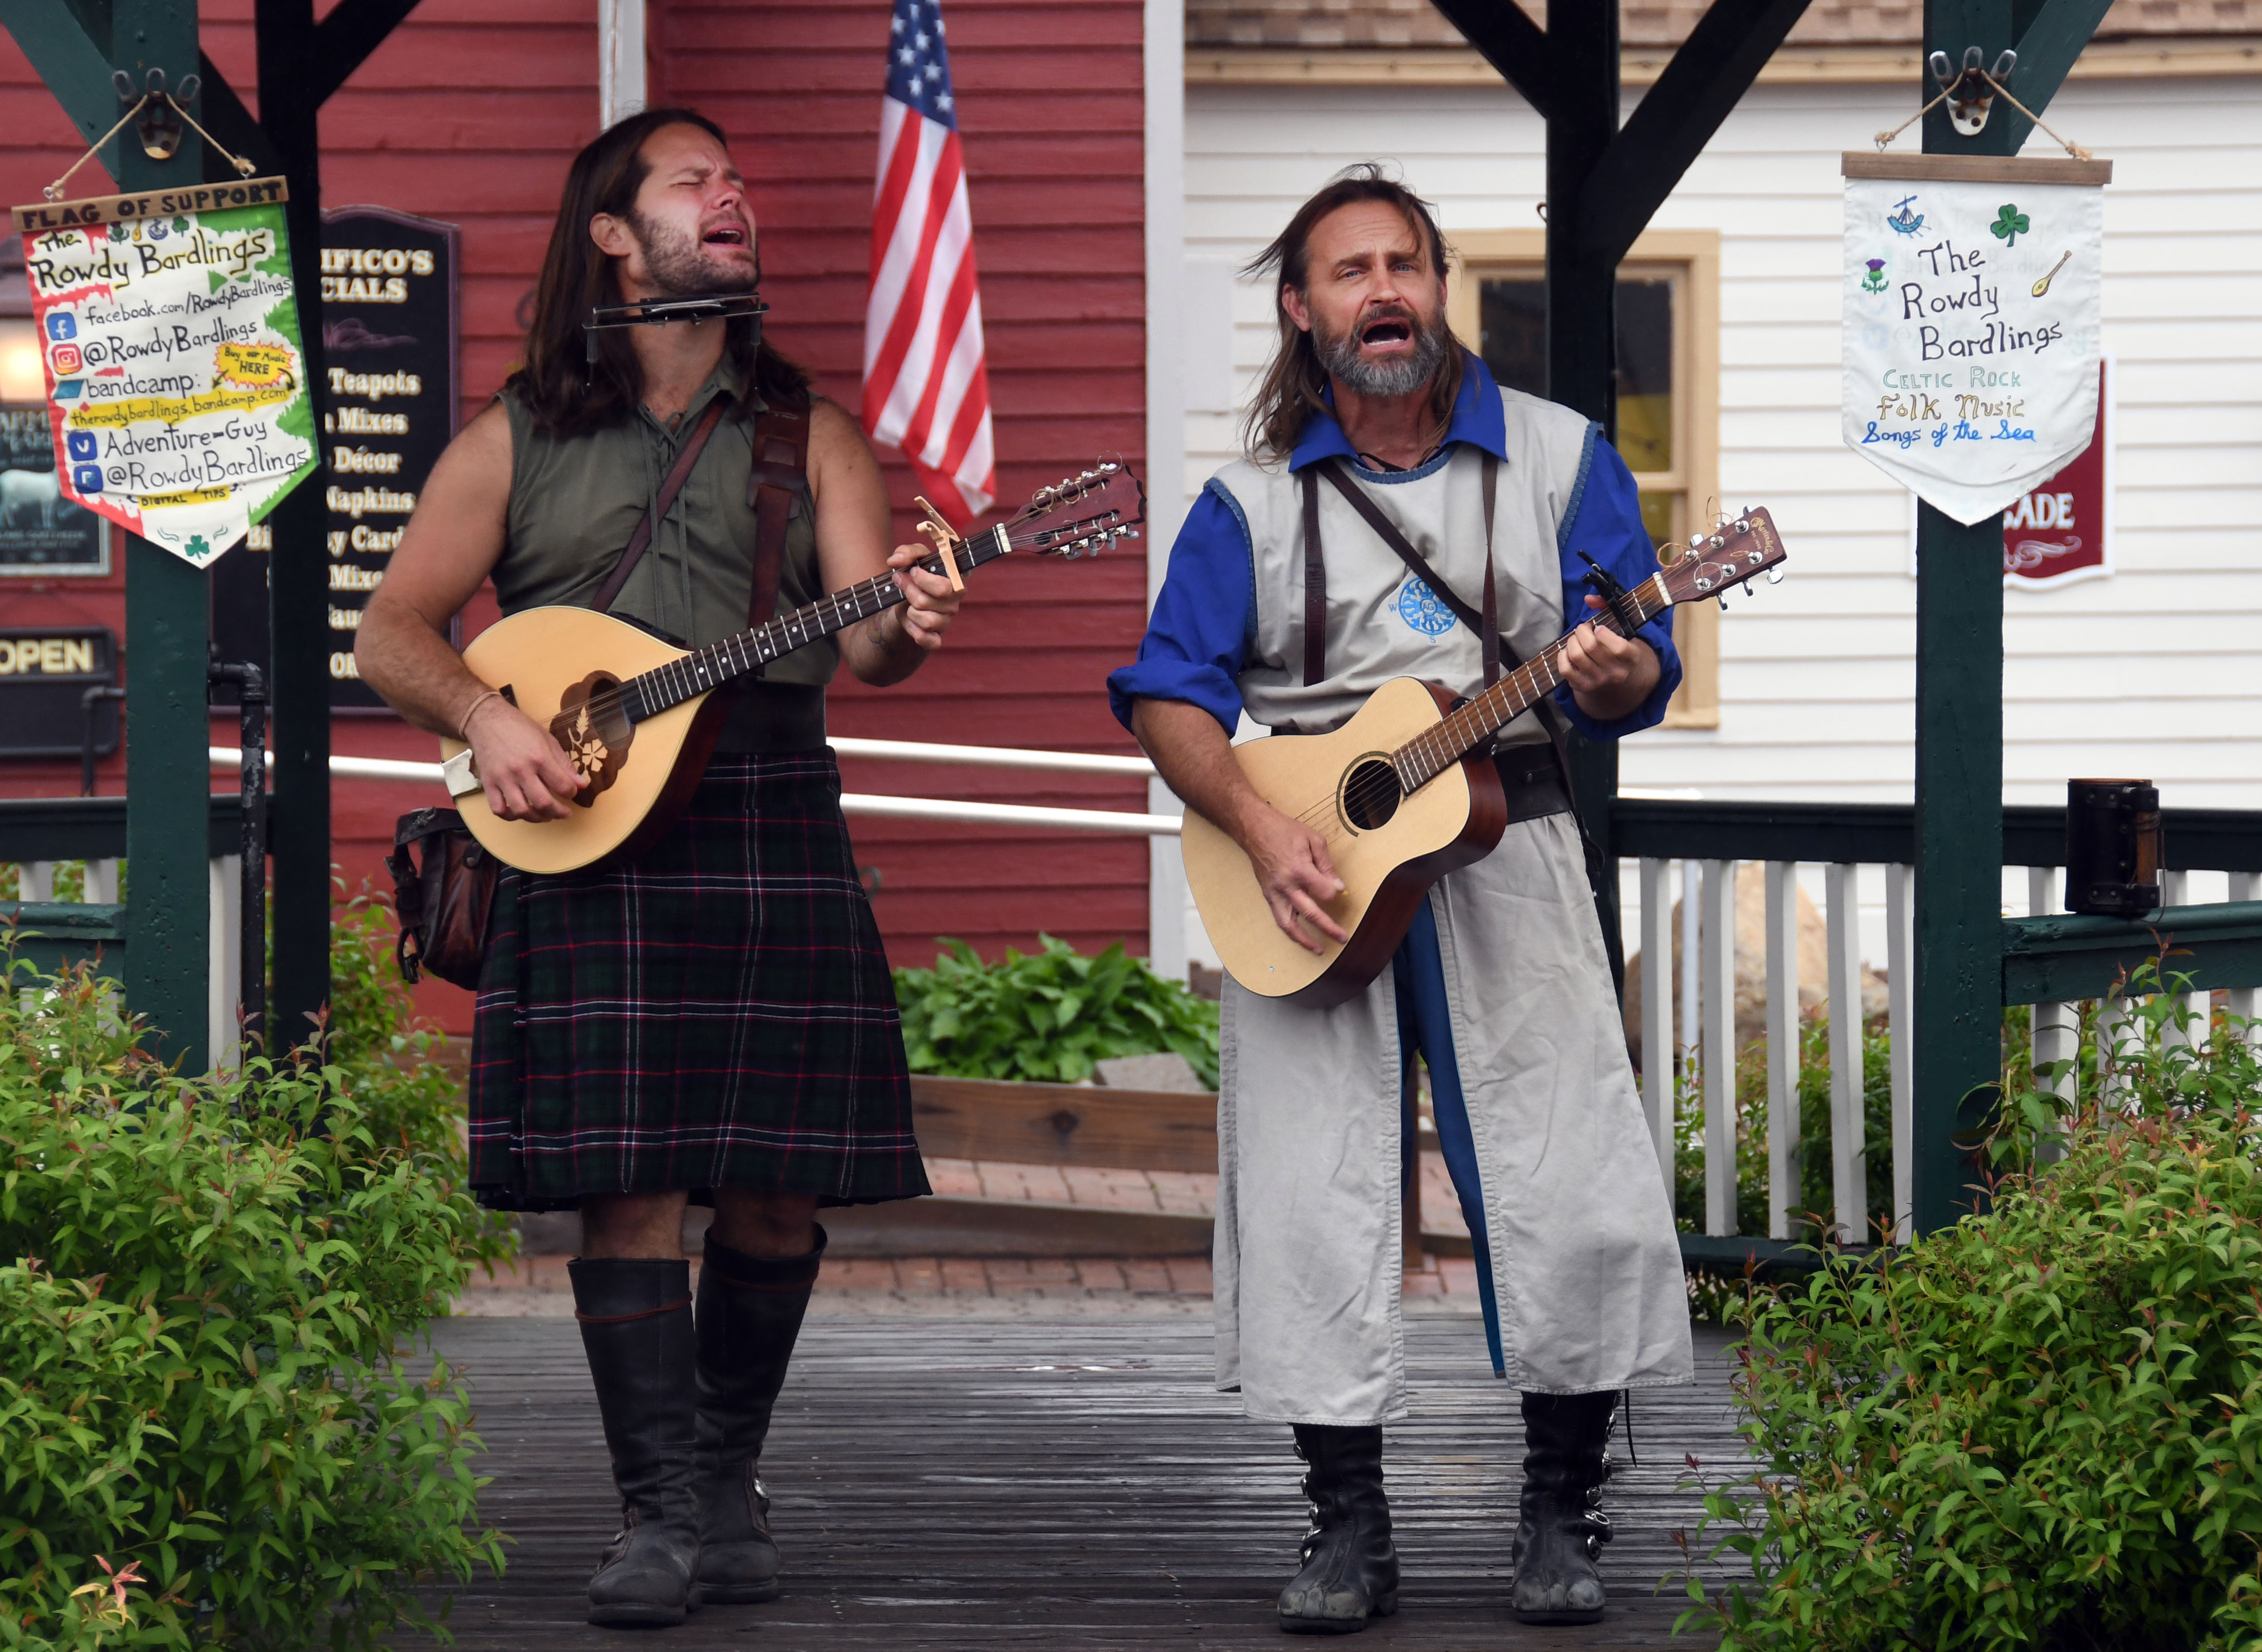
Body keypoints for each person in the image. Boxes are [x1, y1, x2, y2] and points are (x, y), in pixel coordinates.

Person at [356, 108, 964, 1629]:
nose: (734, 197)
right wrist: (490, 718)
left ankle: (720, 1481)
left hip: (766, 801)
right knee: (620, 1191)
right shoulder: (513, 438)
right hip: (582, 814)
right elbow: (392, 632)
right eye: (699, 183)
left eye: (737, 183)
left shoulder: (806, 436)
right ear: (616, 236)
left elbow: (871, 641)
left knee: (773, 1191)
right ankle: (655, 1516)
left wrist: (907, 613)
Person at [1109, 166, 1693, 1633]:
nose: (1383, 292)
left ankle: (1562, 1508)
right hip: (1306, 863)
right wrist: (1259, 819)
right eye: (1349, 272)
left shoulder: (1561, 458)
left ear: (1438, 288)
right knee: (1313, 1190)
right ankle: (1345, 1527)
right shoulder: (1244, 502)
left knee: (1569, 1180)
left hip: (1514, 838)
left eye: (1406, 265)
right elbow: (1169, 694)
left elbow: (1636, 656)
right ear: (1303, 314)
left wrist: (1626, 669)